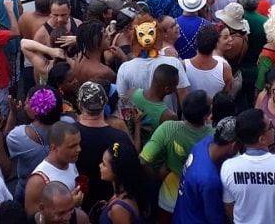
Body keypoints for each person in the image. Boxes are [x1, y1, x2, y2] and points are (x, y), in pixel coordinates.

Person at [220, 108, 275, 224]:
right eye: (270, 126)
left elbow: (229, 207)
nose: (273, 128)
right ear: (262, 139)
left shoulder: (228, 167)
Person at [140, 90, 213, 222]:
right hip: (201, 203)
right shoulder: (214, 135)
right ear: (207, 114)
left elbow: (143, 159)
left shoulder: (168, 129)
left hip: (169, 201)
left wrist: (157, 176)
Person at [74, 82, 135, 214]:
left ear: (79, 106)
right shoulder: (120, 138)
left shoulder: (69, 136)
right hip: (112, 205)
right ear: (105, 102)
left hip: (78, 202)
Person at [173, 116, 239, 224]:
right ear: (234, 145)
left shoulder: (204, 144)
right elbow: (215, 219)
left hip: (182, 215)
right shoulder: (209, 180)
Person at [24, 121, 82, 216]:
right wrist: (69, 205)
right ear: (54, 148)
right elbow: (32, 216)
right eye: (72, 146)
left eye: (79, 144)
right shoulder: (38, 181)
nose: (79, 149)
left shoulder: (70, 161)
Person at [97, 141, 147, 223]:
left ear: (116, 172)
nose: (100, 165)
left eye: (104, 164)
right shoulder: (125, 192)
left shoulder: (118, 209)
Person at [24, 181, 89, 224]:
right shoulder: (27, 222)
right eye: (61, 213)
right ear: (42, 208)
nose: (67, 217)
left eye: (70, 209)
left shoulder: (80, 219)